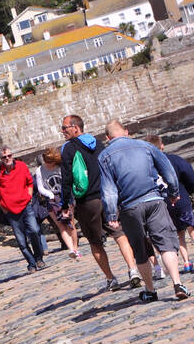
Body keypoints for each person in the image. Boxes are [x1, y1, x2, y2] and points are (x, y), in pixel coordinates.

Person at [99, 120, 189, 301]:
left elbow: (108, 191)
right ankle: (177, 283)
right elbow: (168, 171)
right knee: (166, 242)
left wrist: (110, 215)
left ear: (107, 138)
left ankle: (150, 290)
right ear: (126, 132)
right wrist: (173, 192)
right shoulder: (145, 146)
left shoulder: (104, 156)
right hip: (154, 200)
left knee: (139, 249)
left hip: (129, 207)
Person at [59, 115, 141, 293]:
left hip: (87, 201)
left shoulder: (68, 149)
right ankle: (133, 269)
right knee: (119, 233)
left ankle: (111, 279)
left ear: (76, 128)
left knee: (95, 243)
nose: (62, 131)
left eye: (65, 128)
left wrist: (65, 203)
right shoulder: (97, 143)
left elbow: (66, 178)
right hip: (108, 195)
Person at [145, 134, 194, 274]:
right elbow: (188, 173)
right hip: (182, 198)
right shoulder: (173, 159)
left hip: (165, 204)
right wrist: (190, 188)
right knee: (192, 227)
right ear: (162, 146)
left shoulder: (149, 167)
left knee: (179, 234)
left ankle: (186, 263)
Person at [0, 146, 47, 272]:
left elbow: (29, 182)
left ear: (12, 155)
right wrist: (2, 206)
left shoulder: (21, 166)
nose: (7, 158)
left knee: (33, 230)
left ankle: (39, 258)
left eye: (9, 156)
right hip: (10, 211)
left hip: (26, 206)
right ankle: (31, 264)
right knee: (21, 241)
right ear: (1, 159)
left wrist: (29, 196)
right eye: (4, 157)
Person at [34, 147, 81, 260]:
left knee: (70, 224)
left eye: (50, 163)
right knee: (61, 226)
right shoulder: (39, 170)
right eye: (46, 162)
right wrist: (50, 196)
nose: (47, 165)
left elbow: (69, 181)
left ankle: (75, 248)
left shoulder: (61, 167)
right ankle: (71, 249)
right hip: (51, 200)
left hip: (65, 197)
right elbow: (40, 187)